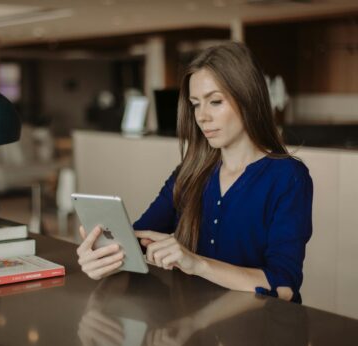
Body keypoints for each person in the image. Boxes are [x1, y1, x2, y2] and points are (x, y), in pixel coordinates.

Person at [76, 41, 313, 303]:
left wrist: (197, 263)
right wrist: (105, 255)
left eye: (215, 101)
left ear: (248, 99)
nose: (202, 116)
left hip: (262, 331)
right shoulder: (189, 173)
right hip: (194, 328)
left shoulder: (287, 176)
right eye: (195, 104)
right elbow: (139, 238)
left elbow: (284, 286)